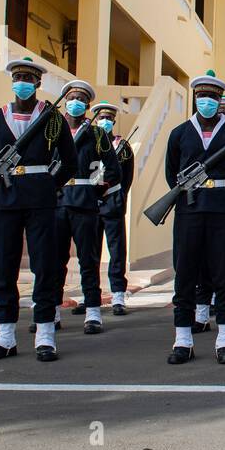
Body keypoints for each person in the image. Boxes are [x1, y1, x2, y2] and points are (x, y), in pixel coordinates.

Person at [0, 58, 78, 363]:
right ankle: (4, 335)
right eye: (18, 76)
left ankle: (45, 332)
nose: (22, 82)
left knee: (44, 265)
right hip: (6, 200)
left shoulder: (51, 118)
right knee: (4, 266)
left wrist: (49, 183)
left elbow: (70, 163)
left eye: (28, 78)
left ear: (38, 84)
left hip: (40, 200)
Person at [166, 72, 225, 364]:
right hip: (189, 210)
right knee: (186, 273)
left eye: (213, 97)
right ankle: (183, 339)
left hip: (223, 211)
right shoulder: (179, 133)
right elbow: (170, 174)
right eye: (202, 96)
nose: (207, 101)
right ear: (195, 98)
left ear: (219, 100)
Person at [54, 80, 120, 336]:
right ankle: (52, 312)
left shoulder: (96, 134)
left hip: (84, 203)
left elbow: (112, 170)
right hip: (58, 202)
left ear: (88, 105)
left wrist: (93, 190)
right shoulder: (53, 130)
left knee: (88, 260)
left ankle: (93, 311)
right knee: (54, 261)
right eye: (72, 97)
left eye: (82, 98)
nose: (76, 101)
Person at [90, 102, 133, 315]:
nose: (105, 121)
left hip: (112, 202)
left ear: (114, 121)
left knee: (116, 250)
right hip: (89, 202)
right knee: (90, 251)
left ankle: (117, 294)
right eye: (101, 117)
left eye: (109, 117)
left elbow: (127, 179)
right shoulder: (87, 140)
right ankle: (91, 294)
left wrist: (117, 195)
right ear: (95, 119)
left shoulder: (122, 146)